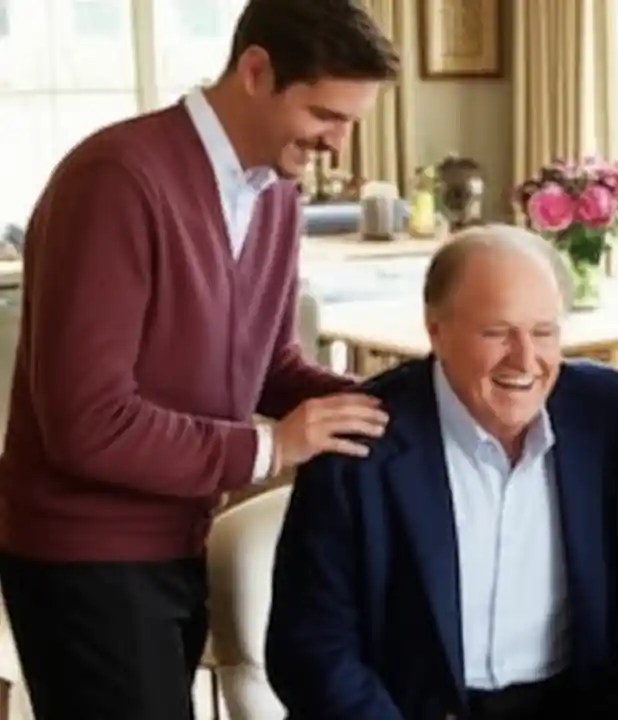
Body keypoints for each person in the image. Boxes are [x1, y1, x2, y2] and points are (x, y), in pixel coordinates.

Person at [0, 2, 400, 718]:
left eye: (351, 121)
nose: (340, 143)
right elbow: (87, 423)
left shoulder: (274, 195)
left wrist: (396, 405)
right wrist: (273, 446)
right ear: (256, 71)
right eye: (325, 115)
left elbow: (269, 364)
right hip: (85, 559)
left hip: (176, 540)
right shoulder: (117, 178)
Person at [266, 225, 618, 719]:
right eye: (497, 333)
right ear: (436, 331)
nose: (525, 359)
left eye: (544, 332)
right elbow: (310, 649)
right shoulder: (360, 442)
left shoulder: (608, 414)